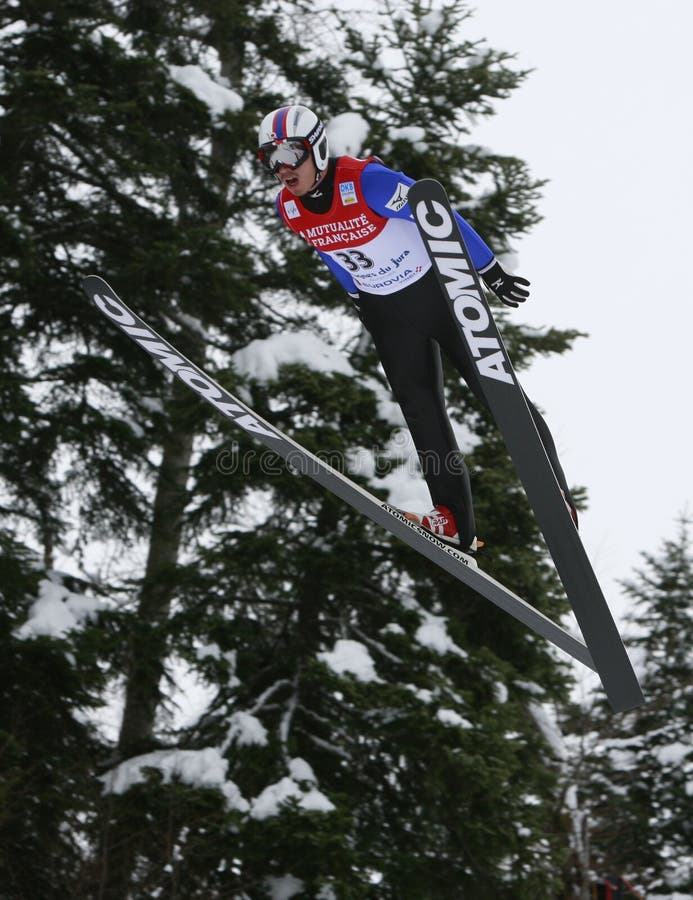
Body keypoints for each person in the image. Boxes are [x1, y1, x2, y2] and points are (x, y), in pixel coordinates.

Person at [257, 104, 577, 555]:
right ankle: (453, 522)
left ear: (318, 149)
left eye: (290, 153)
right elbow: (330, 253)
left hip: (437, 295)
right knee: (421, 413)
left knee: (496, 392)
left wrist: (489, 270)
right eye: (269, 158)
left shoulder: (366, 182)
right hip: (387, 312)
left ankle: (553, 492)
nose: (281, 168)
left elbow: (439, 217)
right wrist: (356, 298)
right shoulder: (290, 209)